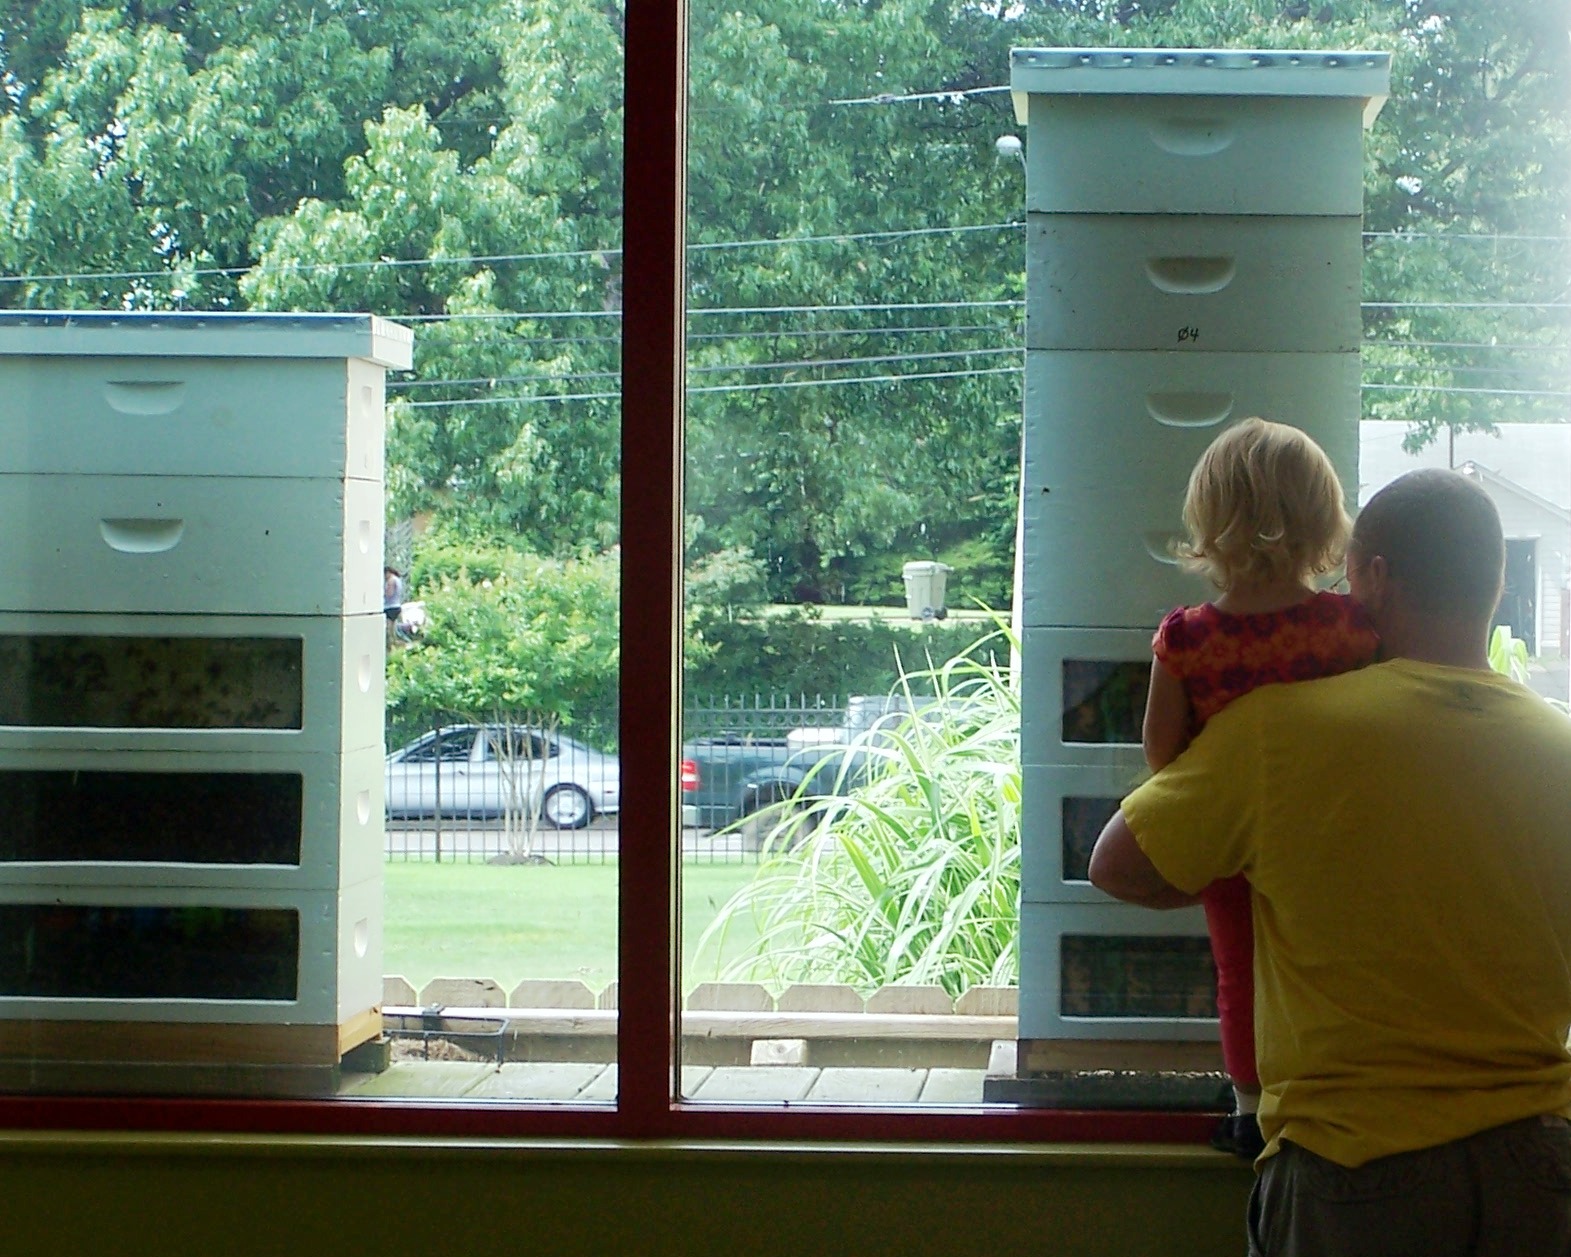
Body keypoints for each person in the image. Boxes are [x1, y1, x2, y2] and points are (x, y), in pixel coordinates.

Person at [1090, 467, 1571, 1255]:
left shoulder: (1276, 733)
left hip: (1354, 1173)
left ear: (1375, 578)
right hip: (1537, 1178)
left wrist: (1271, 869)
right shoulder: (1557, 750)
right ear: (1495, 580)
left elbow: (1119, 864)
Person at [1142, 418, 1379, 1159]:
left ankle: (1249, 1107)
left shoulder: (1184, 639)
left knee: (1238, 970)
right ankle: (1337, 1082)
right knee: (1336, 962)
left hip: (1236, 843)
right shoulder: (1352, 628)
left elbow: (1161, 760)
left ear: (1210, 523)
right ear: (1322, 520)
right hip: (1336, 838)